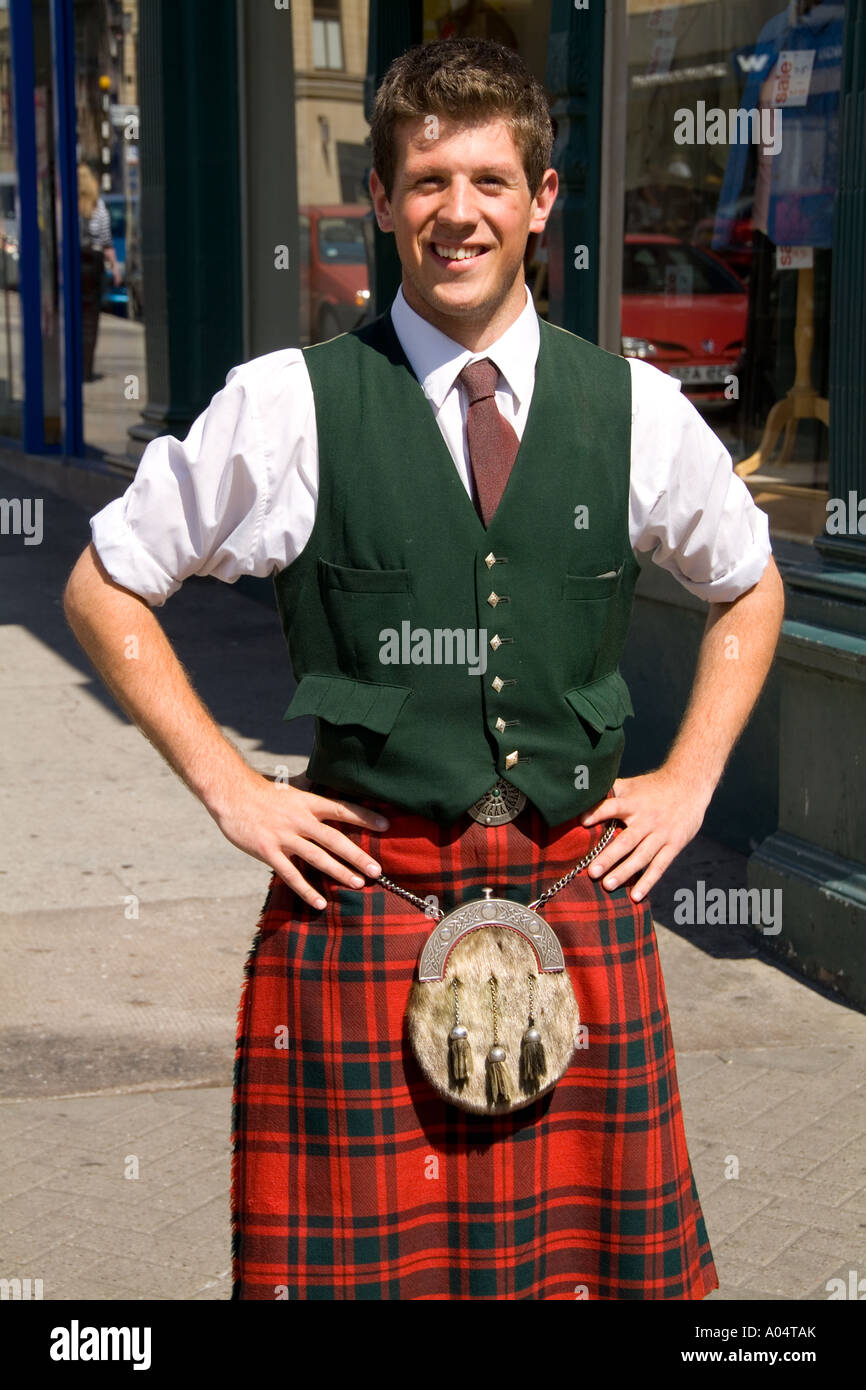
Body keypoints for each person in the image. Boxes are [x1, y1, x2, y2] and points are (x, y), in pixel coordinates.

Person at [63, 38, 784, 1300]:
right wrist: (233, 788)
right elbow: (103, 582)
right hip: (365, 913)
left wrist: (689, 780)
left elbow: (749, 586)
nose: (460, 212)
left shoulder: (634, 410)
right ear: (385, 201)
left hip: (574, 912)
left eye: (491, 181)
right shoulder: (288, 403)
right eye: (428, 181)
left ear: (541, 202)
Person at [77, 163, 122, 382]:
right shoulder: (99, 207)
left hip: (75, 263)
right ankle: (86, 368)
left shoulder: (69, 205)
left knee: (74, 316)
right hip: (93, 265)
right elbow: (106, 242)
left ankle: (74, 367)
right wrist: (114, 268)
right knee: (90, 319)